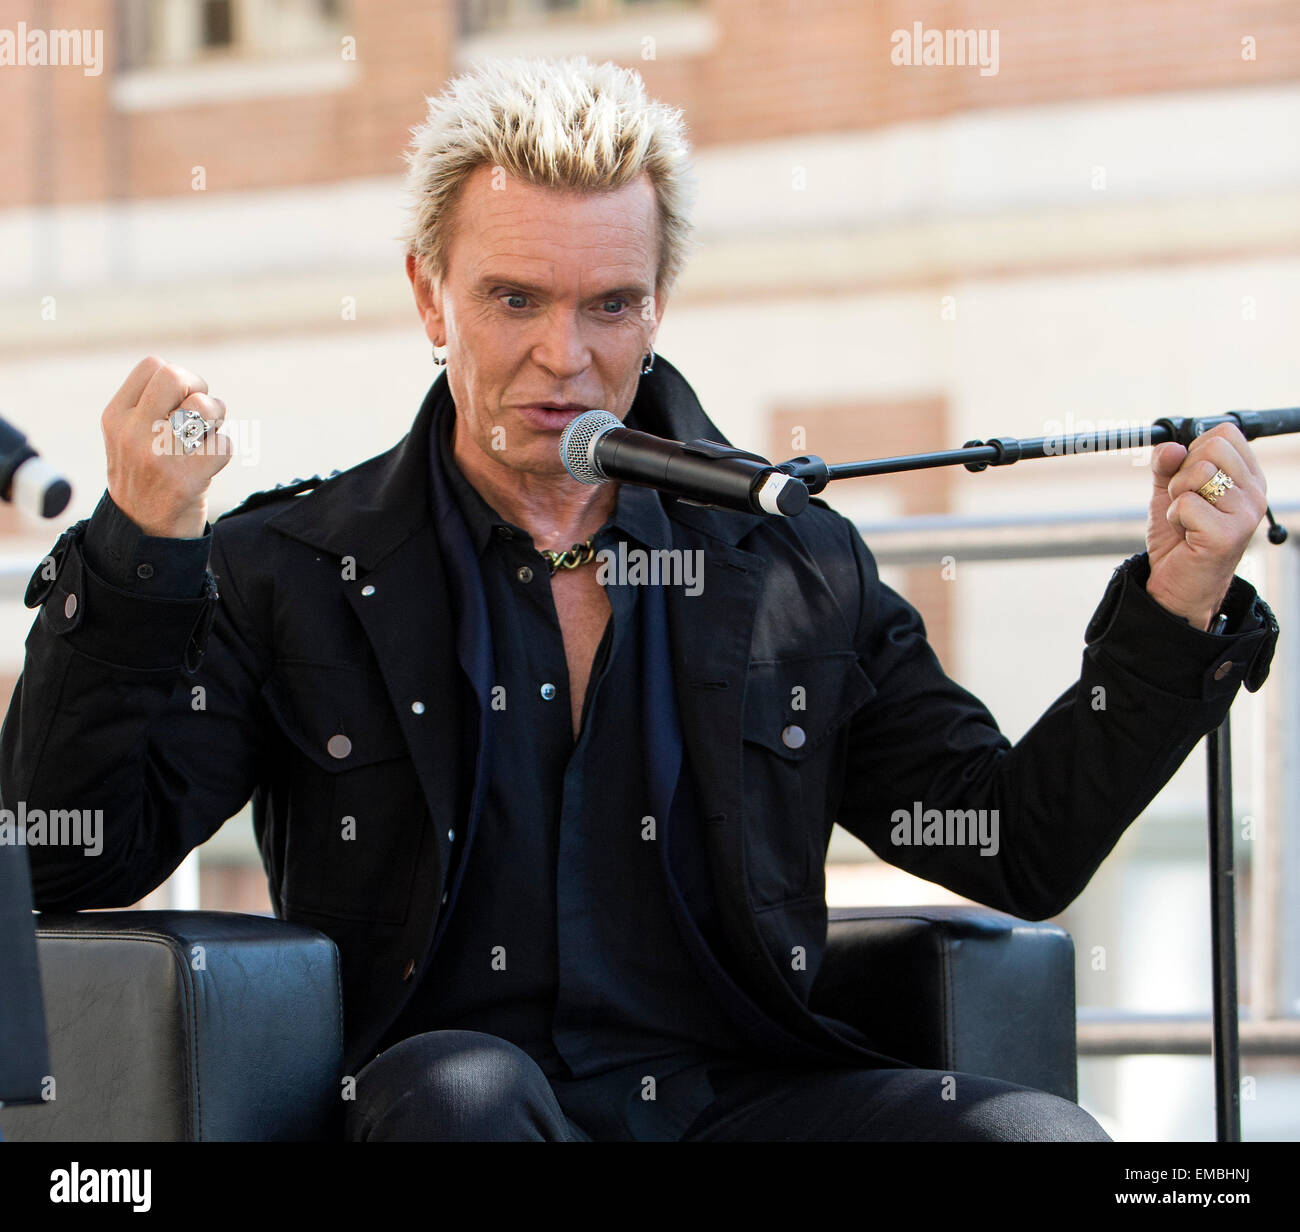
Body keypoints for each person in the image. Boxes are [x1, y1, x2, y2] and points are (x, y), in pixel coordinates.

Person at [4, 57, 1277, 1142]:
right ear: (426, 294)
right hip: (442, 1107)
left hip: (734, 1096)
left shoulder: (790, 559)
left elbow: (1010, 841)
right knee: (465, 1091)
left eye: (609, 303)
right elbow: (73, 854)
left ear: (658, 301)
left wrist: (1173, 607)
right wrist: (142, 545)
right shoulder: (295, 564)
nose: (566, 356)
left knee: (1039, 1137)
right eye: (514, 298)